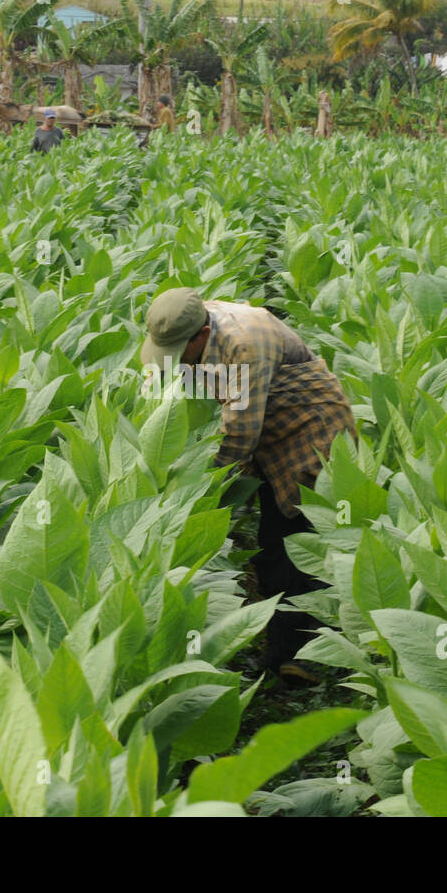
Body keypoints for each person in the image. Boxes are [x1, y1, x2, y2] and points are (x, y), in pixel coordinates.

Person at [140, 288, 357, 685]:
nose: (176, 361)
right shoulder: (193, 322)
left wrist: (200, 497)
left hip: (310, 430)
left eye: (178, 352)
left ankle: (302, 657)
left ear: (201, 335)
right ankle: (281, 646)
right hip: (269, 433)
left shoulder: (245, 345)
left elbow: (238, 437)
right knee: (273, 543)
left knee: (296, 541)